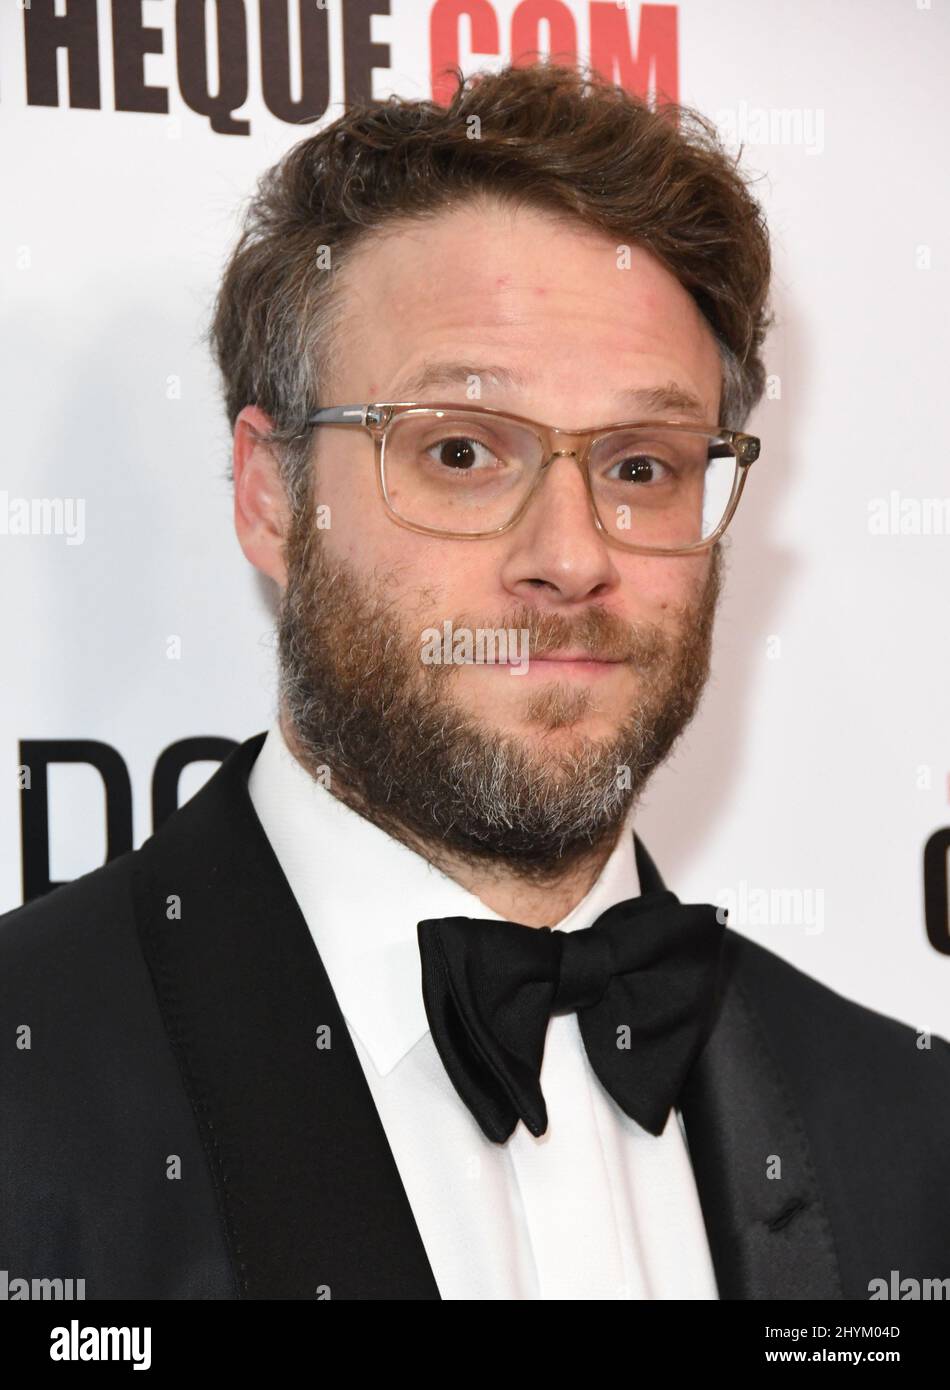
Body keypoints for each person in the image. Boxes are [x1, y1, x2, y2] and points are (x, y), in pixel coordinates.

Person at [1, 61, 948, 1303]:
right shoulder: (33, 1088)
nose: (570, 556)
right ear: (269, 494)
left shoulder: (906, 1131)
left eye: (643, 466)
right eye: (459, 450)